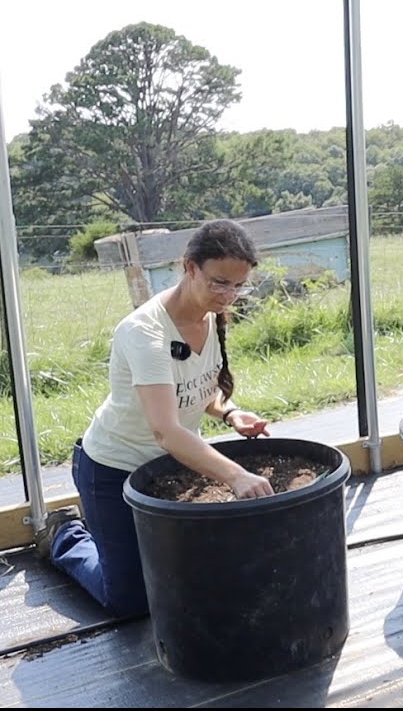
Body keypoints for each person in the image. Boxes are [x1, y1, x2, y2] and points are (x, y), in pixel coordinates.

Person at [33, 219, 275, 618]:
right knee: (129, 600)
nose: (229, 296)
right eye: (219, 283)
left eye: (238, 285)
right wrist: (236, 476)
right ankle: (64, 535)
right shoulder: (144, 332)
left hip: (172, 468)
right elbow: (165, 430)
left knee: (189, 577)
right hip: (114, 470)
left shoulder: (211, 316)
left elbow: (195, 387)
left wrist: (229, 412)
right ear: (189, 266)